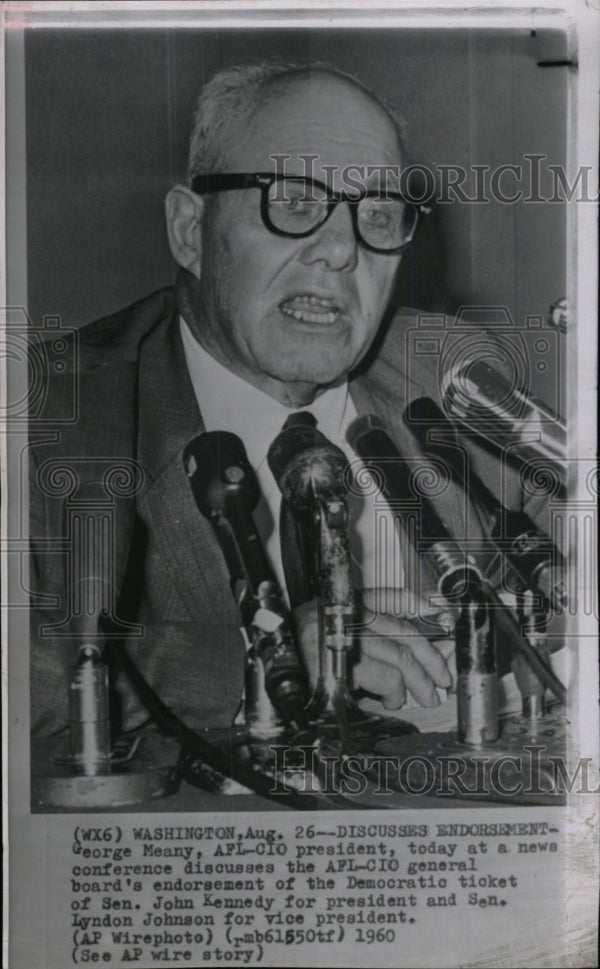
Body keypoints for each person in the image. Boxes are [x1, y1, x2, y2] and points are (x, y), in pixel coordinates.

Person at [29, 61, 550, 740]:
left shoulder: (448, 372)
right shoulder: (51, 412)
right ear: (190, 230)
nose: (339, 250)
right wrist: (269, 657)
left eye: (378, 213)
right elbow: (25, 668)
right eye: (295, 202)